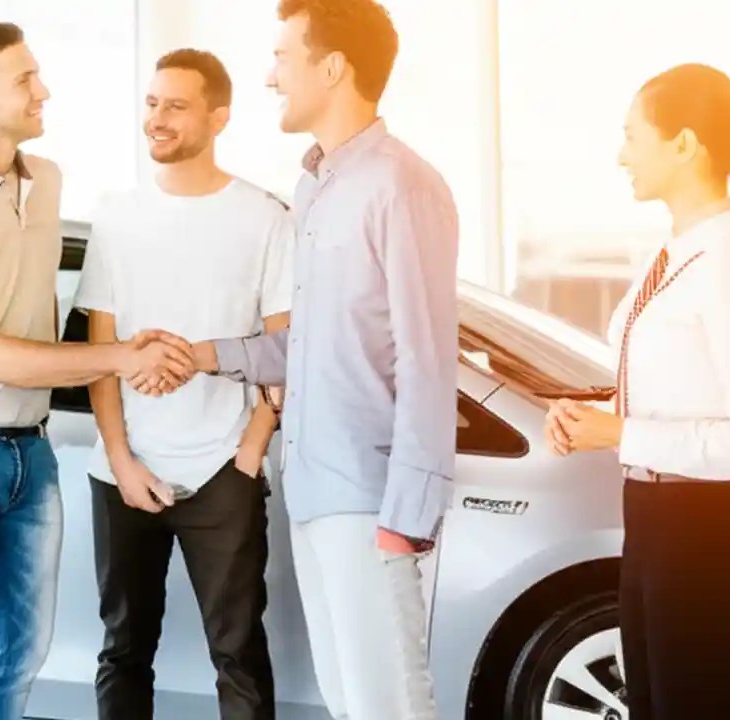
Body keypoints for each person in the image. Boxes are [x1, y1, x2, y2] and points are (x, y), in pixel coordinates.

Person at [133, 2, 459, 717]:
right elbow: (310, 344)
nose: (271, 76)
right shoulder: (316, 186)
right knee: (349, 704)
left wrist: (407, 516)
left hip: (372, 500)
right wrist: (204, 355)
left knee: (390, 704)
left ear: (333, 67)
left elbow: (430, 362)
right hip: (315, 491)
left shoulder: (402, 185)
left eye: (283, 57)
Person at [0, 21, 192, 720]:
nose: (43, 91)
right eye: (25, 80)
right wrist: (122, 356)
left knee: (21, 646)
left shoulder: (45, 181)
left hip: (30, 448)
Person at [546, 63, 730, 719]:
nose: (622, 154)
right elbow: (677, 389)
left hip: (702, 533)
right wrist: (592, 419)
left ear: (684, 144)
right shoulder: (679, 255)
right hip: (652, 522)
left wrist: (619, 433)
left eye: (632, 136)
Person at [73, 49, 295, 720]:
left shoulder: (265, 216)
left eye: (175, 105)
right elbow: (100, 348)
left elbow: (283, 345)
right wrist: (119, 457)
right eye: (151, 103)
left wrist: (249, 454)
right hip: (124, 473)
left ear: (217, 116)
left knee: (239, 655)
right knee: (123, 652)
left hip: (224, 468)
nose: (157, 118)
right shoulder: (115, 215)